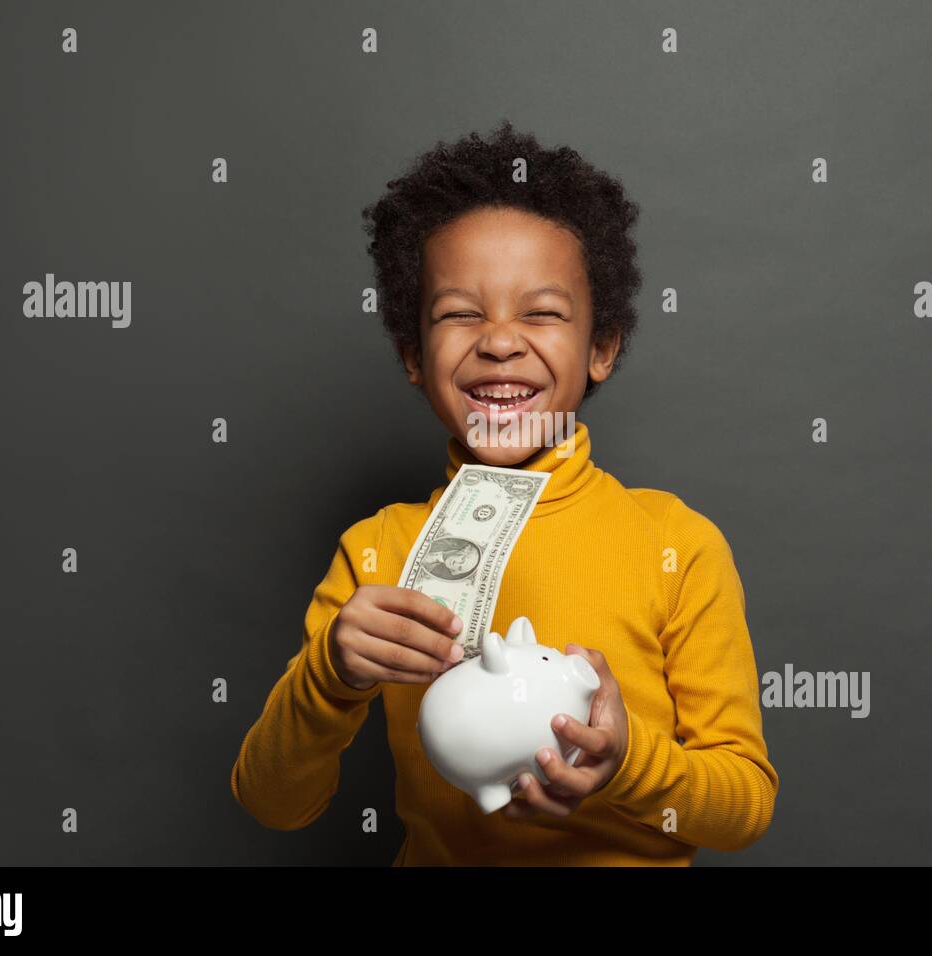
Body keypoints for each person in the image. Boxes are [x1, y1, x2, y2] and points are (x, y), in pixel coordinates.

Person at [230, 120, 778, 865]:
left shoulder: (675, 545)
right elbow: (274, 804)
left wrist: (628, 766)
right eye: (459, 313)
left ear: (603, 347)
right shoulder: (376, 551)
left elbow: (742, 808)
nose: (498, 340)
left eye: (542, 312)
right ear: (412, 356)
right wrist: (330, 675)